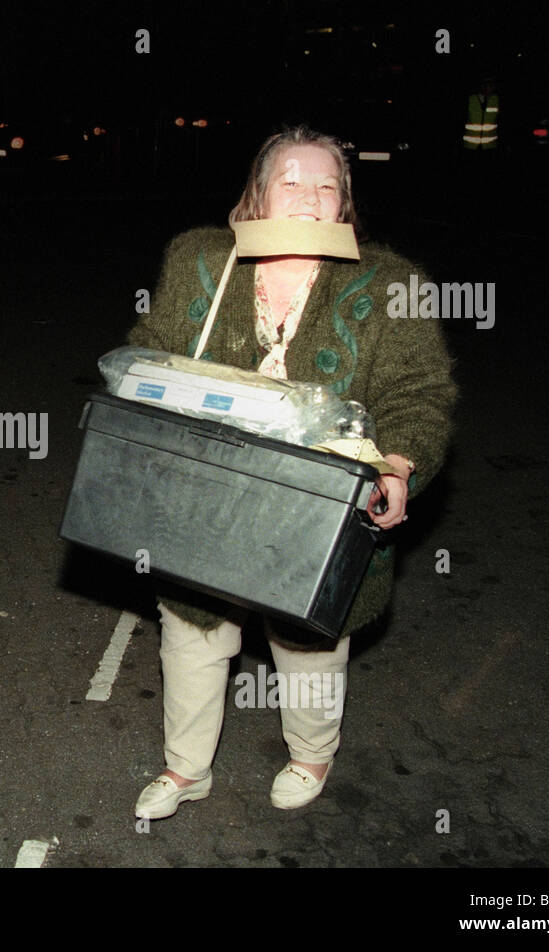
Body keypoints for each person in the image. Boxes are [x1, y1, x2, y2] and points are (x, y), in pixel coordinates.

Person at [127, 125, 455, 816]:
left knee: (306, 639)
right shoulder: (199, 261)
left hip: (317, 503)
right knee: (193, 629)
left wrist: (397, 467)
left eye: (326, 185)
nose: (309, 196)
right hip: (208, 493)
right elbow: (149, 350)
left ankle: (311, 754)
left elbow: (419, 395)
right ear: (256, 196)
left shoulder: (393, 283)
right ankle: (187, 770)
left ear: (344, 207)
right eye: (291, 181)